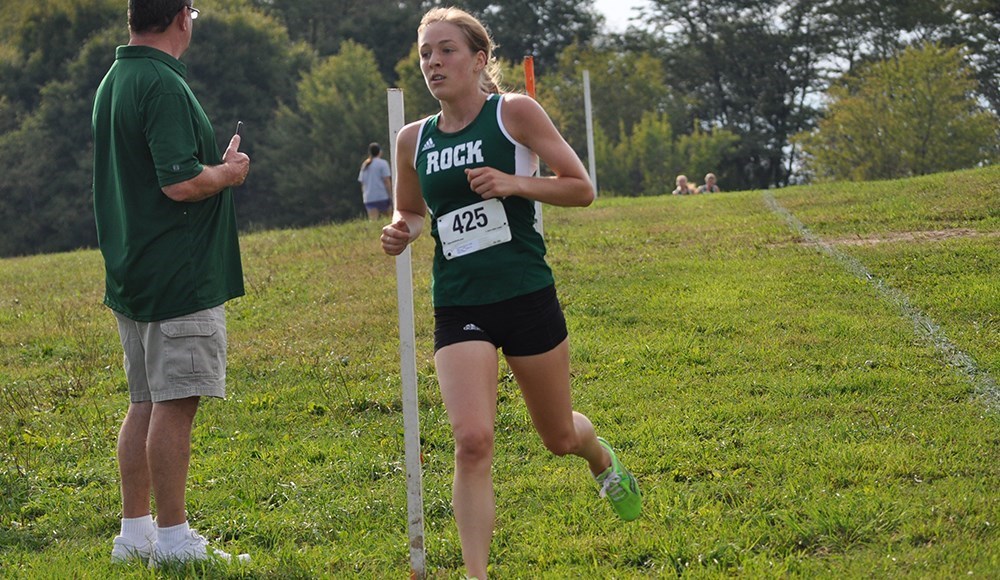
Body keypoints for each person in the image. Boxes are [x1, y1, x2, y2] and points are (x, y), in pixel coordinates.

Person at [380, 7, 641, 578]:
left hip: (525, 295)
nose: (433, 63)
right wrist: (403, 229)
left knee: (559, 436)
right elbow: (412, 208)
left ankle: (600, 458)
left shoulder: (513, 113)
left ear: (478, 60)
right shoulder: (411, 139)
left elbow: (581, 187)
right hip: (459, 302)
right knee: (472, 440)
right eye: (425, 53)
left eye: (446, 50)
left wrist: (514, 183)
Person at [92, 0, 250, 566]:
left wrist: (210, 169)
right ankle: (175, 541)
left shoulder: (118, 77)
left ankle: (133, 536)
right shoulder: (160, 83)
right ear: (182, 16)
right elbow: (180, 183)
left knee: (144, 401)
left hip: (134, 268)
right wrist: (227, 174)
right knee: (176, 403)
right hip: (177, 271)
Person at [358, 142, 393, 220]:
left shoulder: (365, 165)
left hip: (369, 197)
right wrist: (390, 195)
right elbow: (386, 181)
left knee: (373, 220)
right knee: (388, 220)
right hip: (382, 196)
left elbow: (362, 182)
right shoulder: (383, 163)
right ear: (379, 151)